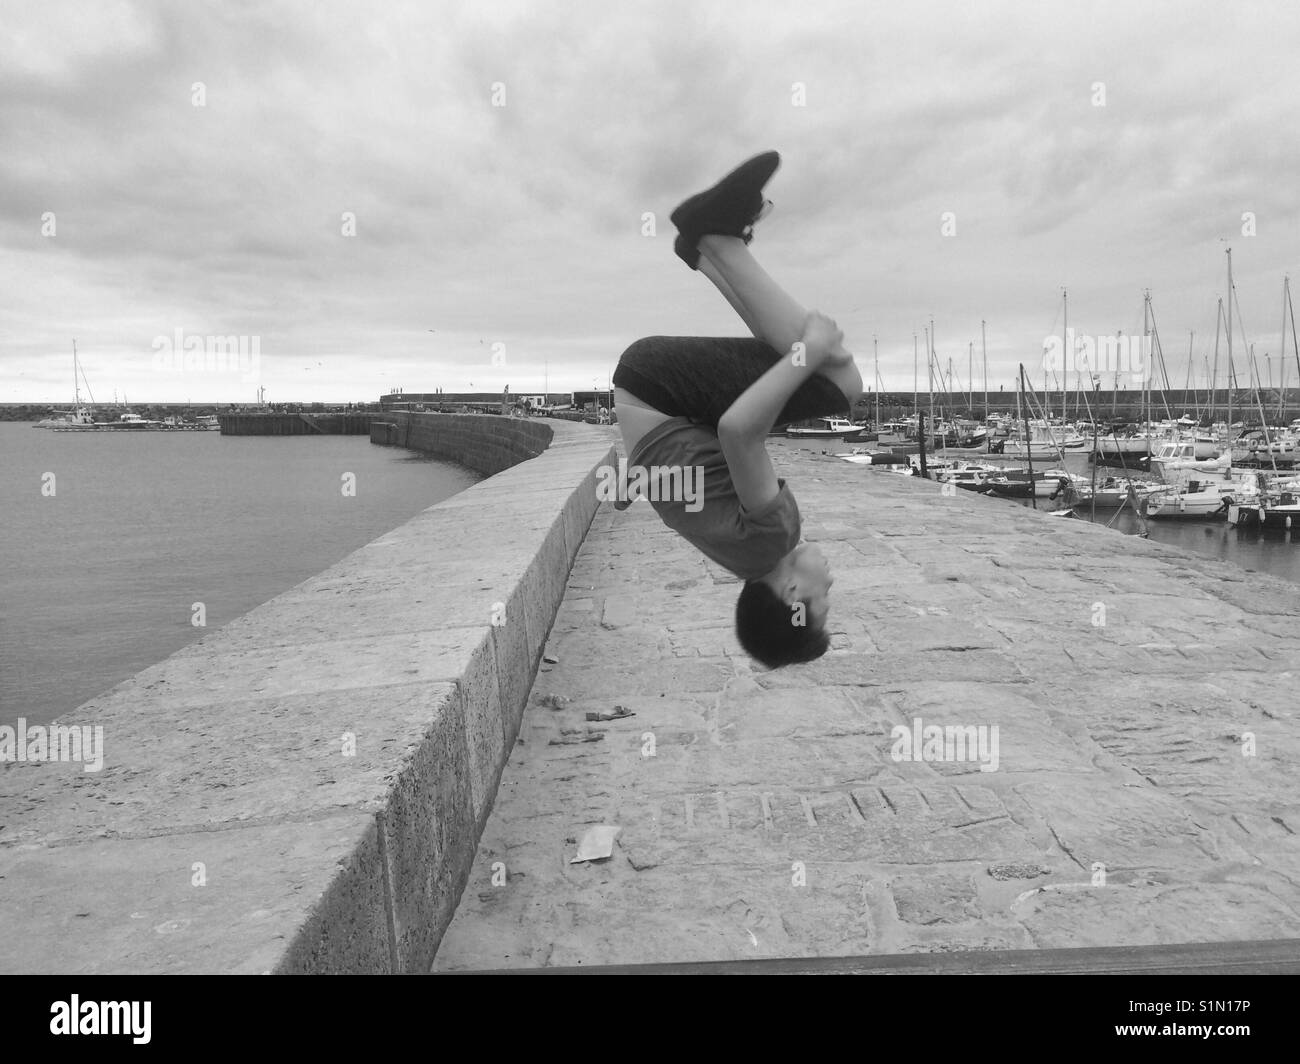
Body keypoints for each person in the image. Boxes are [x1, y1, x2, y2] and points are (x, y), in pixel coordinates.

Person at [611, 151, 864, 667]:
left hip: (660, 385)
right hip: (645, 395)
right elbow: (682, 488)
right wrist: (630, 478)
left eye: (824, 603)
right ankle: (706, 251)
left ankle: (715, 236)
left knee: (840, 379)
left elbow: (739, 432)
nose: (832, 584)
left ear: (794, 596)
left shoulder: (773, 540)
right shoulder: (740, 556)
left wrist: (809, 351)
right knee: (794, 361)